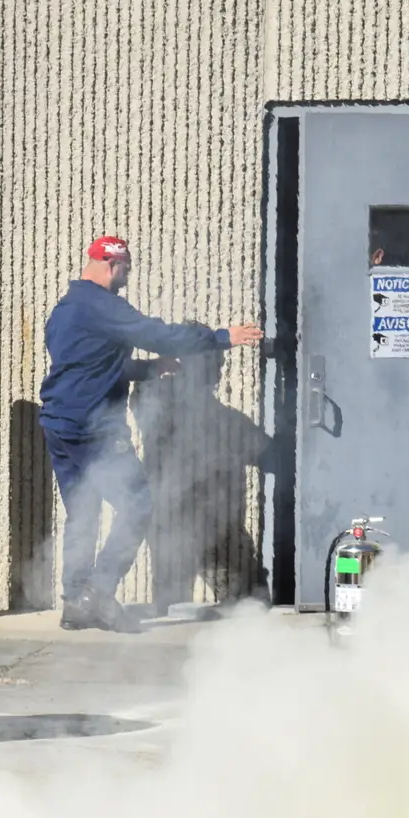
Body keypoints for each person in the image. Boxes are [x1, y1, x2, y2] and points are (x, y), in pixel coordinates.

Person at [37, 236, 261, 632]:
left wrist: (149, 369)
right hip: (93, 429)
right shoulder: (102, 306)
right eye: (127, 267)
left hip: (59, 424)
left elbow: (92, 366)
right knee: (139, 502)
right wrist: (221, 337)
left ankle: (75, 603)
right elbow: (155, 332)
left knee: (83, 512)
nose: (128, 275)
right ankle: (99, 591)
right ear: (113, 265)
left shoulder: (65, 310)